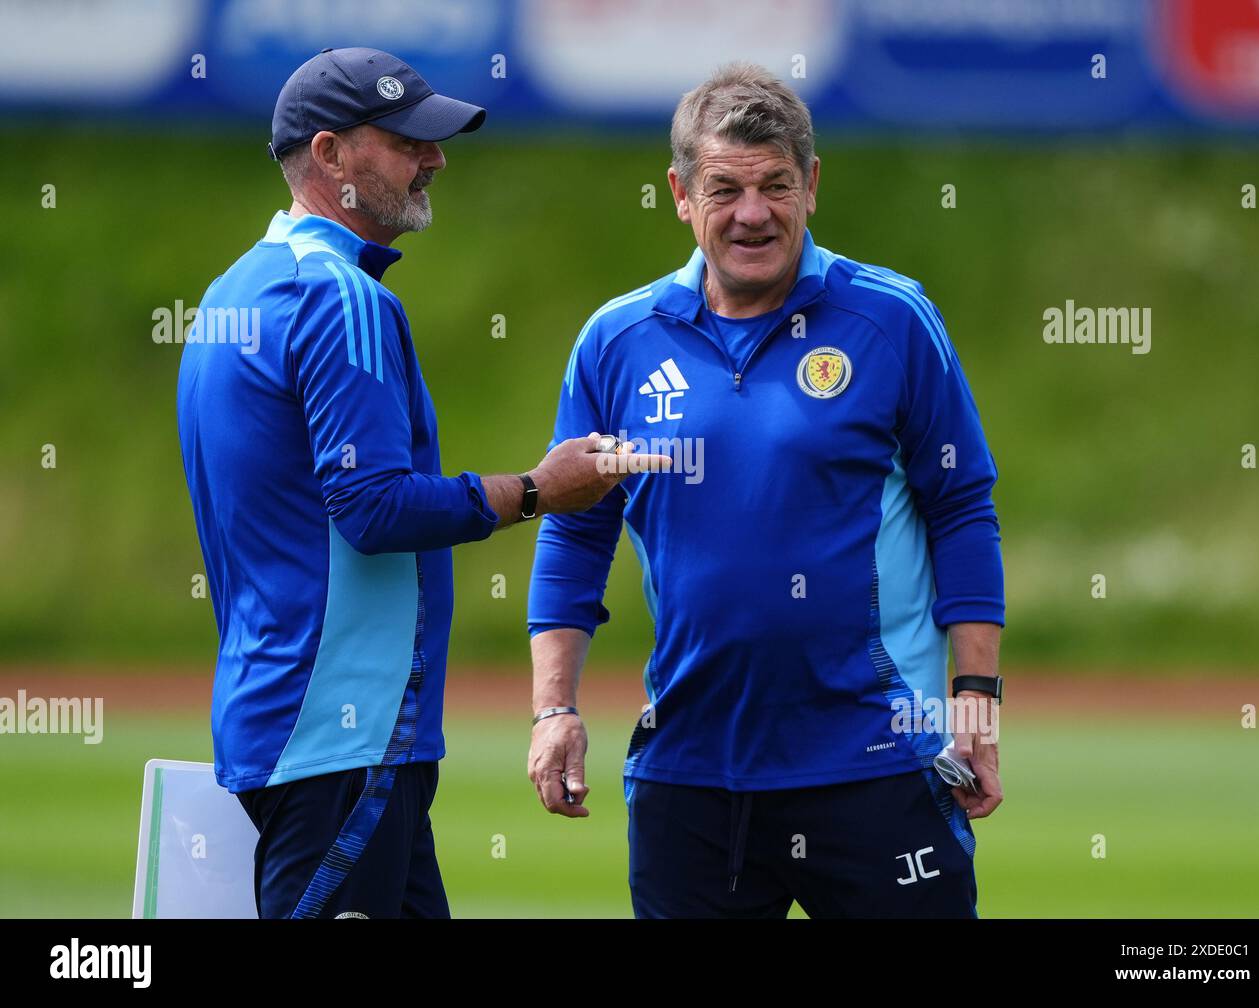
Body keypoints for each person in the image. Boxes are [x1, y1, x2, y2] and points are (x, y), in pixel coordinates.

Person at [177, 47, 662, 919]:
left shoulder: (232, 290)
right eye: (405, 140)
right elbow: (371, 507)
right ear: (329, 156)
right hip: (342, 734)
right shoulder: (343, 298)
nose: (433, 157)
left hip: (293, 721)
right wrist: (538, 489)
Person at [527, 62, 1006, 919]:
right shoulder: (618, 340)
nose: (753, 213)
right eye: (725, 189)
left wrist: (977, 700)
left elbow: (961, 504)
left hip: (875, 760)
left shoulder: (891, 319)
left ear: (811, 185)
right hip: (690, 774)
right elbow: (573, 530)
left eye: (776, 185)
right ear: (679, 194)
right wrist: (552, 708)